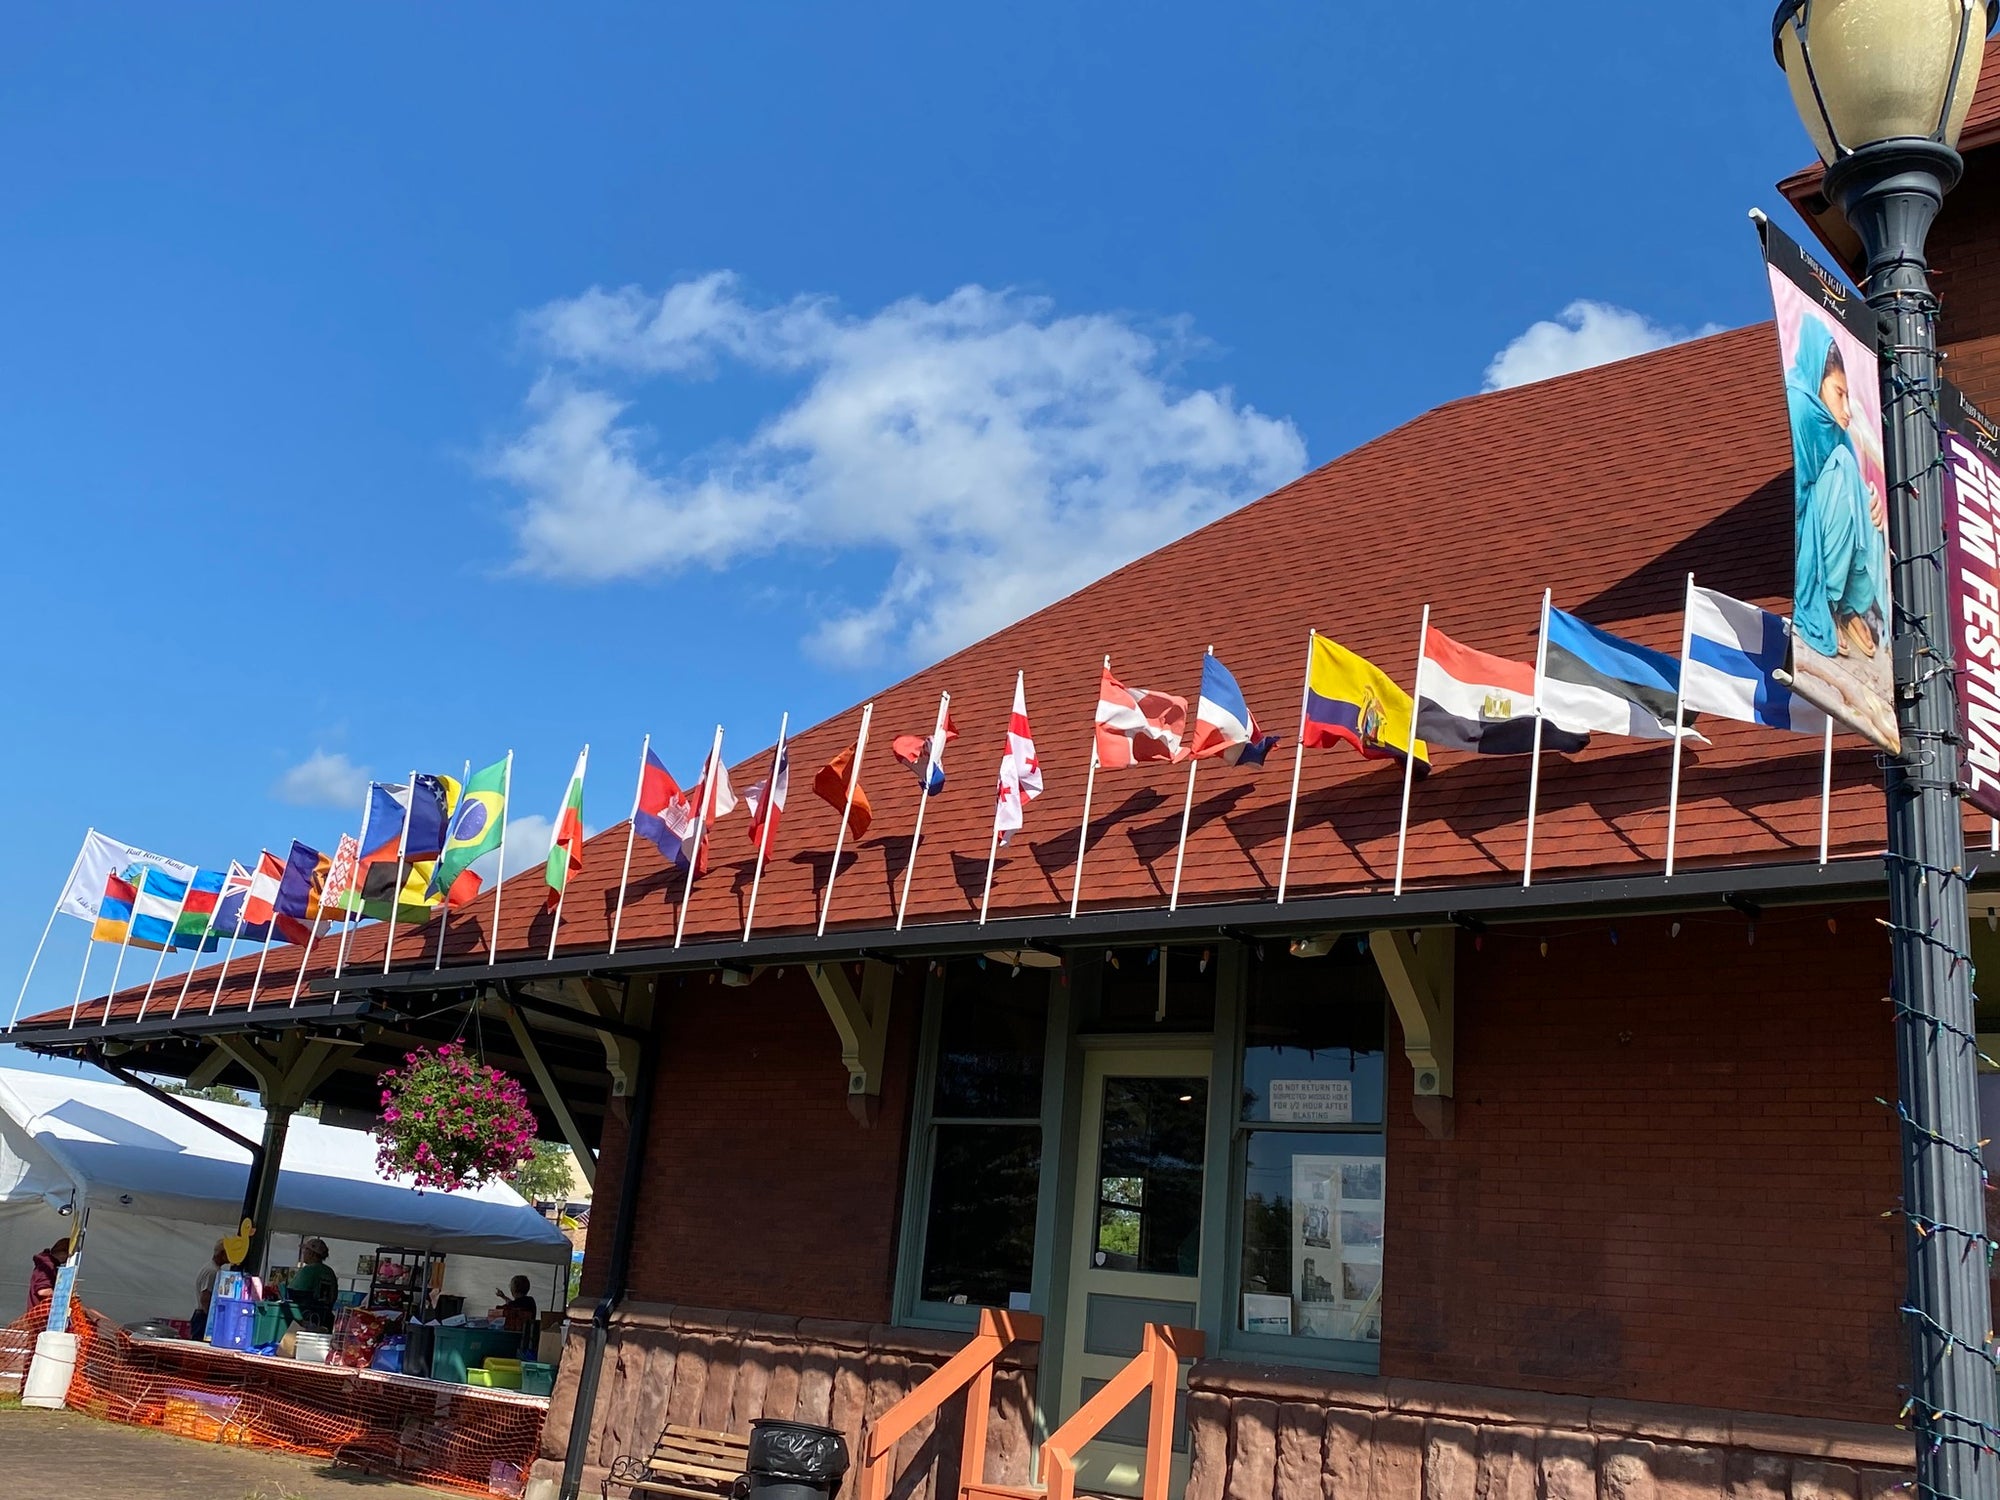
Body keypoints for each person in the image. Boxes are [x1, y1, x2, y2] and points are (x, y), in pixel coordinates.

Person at [1788, 317, 1888, 663]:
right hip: (1800, 534)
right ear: (1817, 383)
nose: (1846, 411)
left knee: (1864, 492)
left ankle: (1850, 605)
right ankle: (1830, 602)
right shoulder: (1798, 408)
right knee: (1845, 464)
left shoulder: (1832, 423)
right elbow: (1794, 500)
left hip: (1824, 521)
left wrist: (1866, 503)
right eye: (1839, 393)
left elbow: (1853, 489)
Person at [284, 1237, 340, 1332]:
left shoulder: (308, 1270)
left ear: (312, 1253)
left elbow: (292, 1294)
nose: (303, 1253)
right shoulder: (330, 1272)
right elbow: (333, 1296)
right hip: (326, 1320)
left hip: (306, 1320)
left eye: (305, 1250)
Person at [192, 1239, 230, 1340]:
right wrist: (212, 1319)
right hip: (203, 1318)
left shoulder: (211, 1268)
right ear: (222, 1253)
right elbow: (205, 1298)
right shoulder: (212, 1271)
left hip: (201, 1316)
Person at [492, 1275, 538, 1355]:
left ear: (514, 1289)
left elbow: (511, 1306)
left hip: (510, 1340)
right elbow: (515, 1303)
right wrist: (503, 1297)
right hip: (528, 1341)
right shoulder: (530, 1301)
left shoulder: (510, 1308)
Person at [25, 1238, 68, 1316]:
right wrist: (63, 1297)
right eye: (67, 1256)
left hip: (39, 1314)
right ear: (63, 1252)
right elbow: (43, 1291)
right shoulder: (47, 1266)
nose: (66, 1260)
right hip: (40, 1316)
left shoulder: (49, 1265)